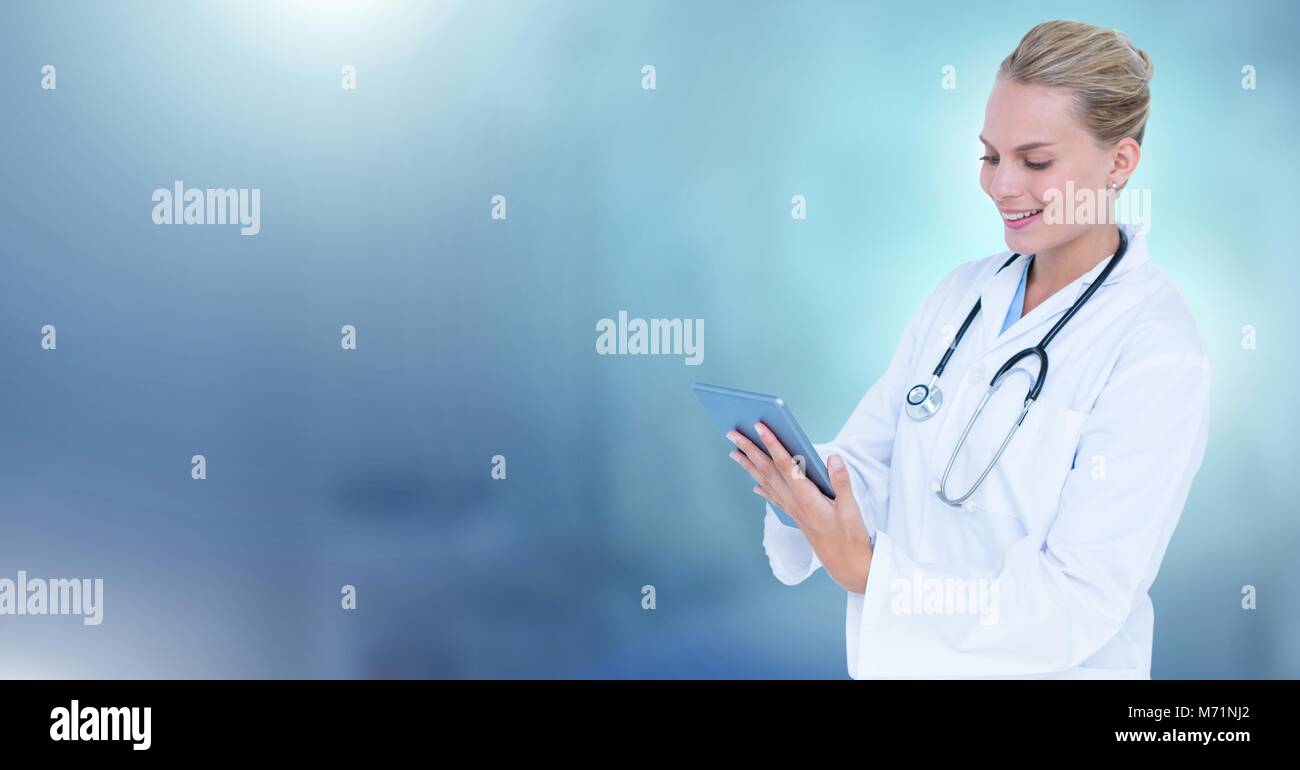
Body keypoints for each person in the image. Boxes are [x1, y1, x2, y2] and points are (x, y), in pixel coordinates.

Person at [727, 19, 1211, 679]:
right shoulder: (961, 296)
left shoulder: (1156, 349)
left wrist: (873, 576)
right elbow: (870, 461)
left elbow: (1079, 599)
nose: (1001, 185)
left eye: (1035, 162)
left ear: (1120, 163)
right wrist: (803, 488)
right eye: (990, 156)